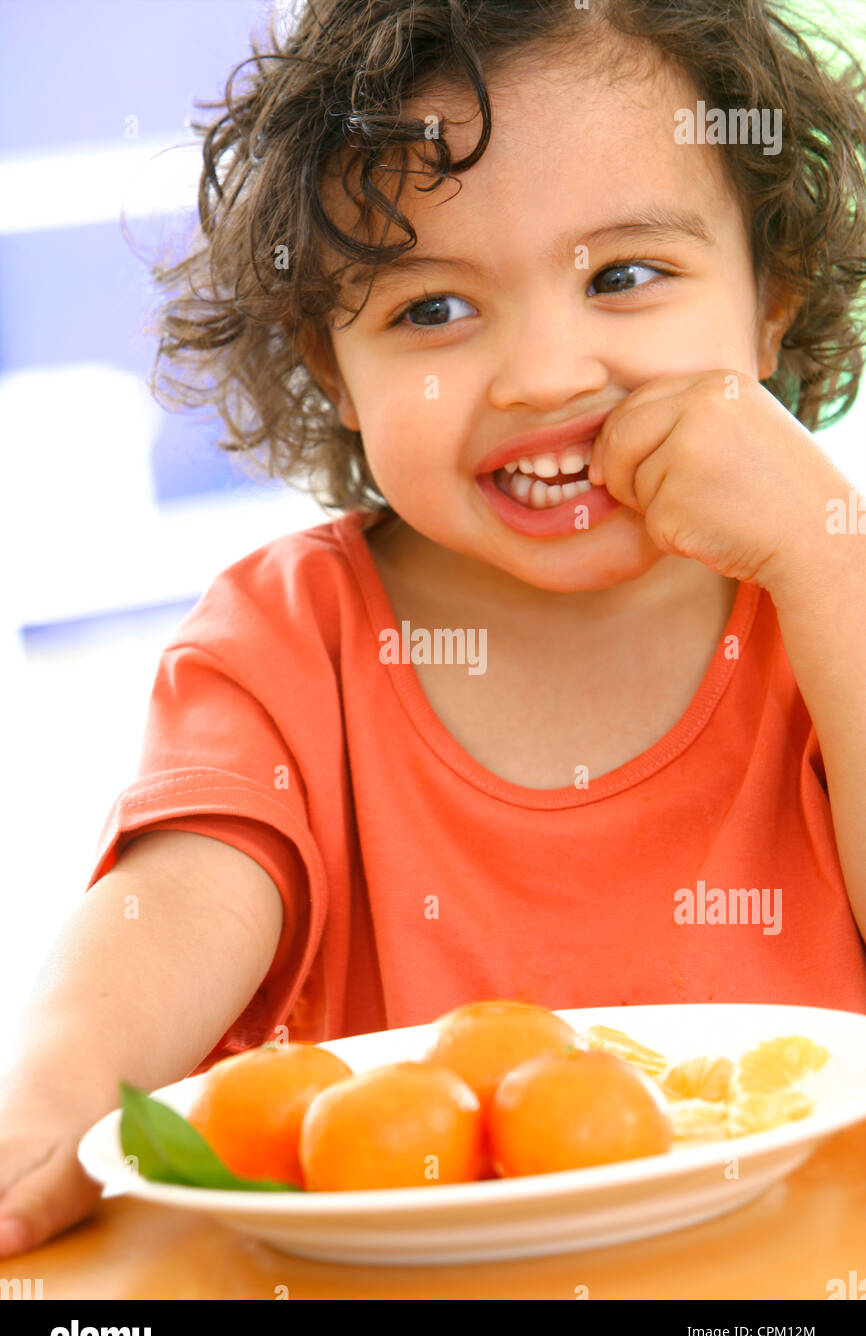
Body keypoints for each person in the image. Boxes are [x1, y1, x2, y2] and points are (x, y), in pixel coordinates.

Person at [2, 0, 866, 1257]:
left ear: (770, 303)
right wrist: (60, 1087)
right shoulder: (289, 637)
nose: (544, 375)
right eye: (431, 313)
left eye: (622, 277)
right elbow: (177, 903)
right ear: (332, 366)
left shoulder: (825, 605)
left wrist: (825, 552)